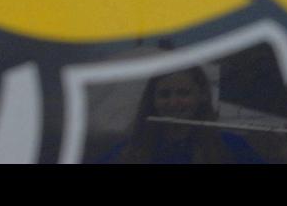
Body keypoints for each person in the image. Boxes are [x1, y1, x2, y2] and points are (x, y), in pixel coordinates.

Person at [99, 66, 266, 163]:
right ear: (153, 101)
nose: (173, 102)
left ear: (202, 96)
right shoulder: (129, 152)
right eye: (164, 95)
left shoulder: (231, 147)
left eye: (183, 93)